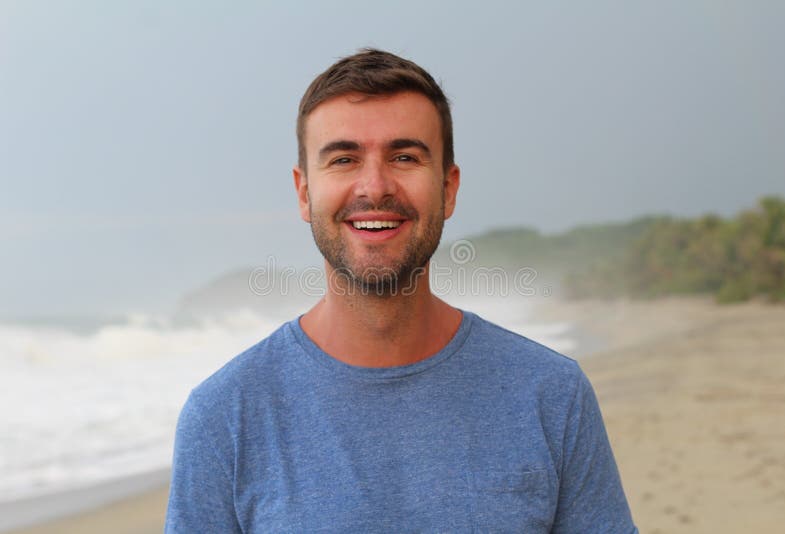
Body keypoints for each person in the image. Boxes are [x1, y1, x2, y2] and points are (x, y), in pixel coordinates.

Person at [165, 49, 637, 533]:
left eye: (405, 156)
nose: (375, 186)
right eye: (344, 159)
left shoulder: (551, 396)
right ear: (304, 193)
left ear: (448, 189)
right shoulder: (224, 418)